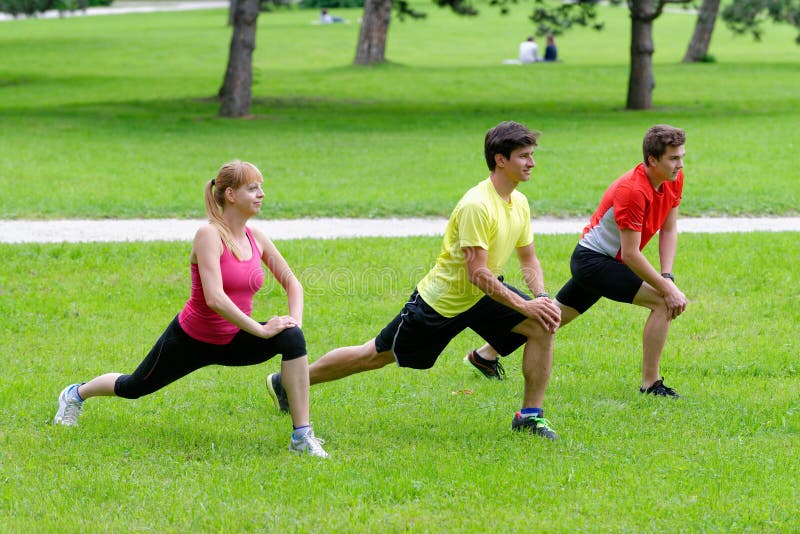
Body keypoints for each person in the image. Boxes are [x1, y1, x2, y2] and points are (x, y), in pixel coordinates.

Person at [266, 121, 562, 439]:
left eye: (531, 155)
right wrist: (525, 305)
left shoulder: (519, 203)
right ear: (500, 159)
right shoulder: (478, 205)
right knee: (374, 355)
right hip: (440, 303)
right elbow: (476, 272)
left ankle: (530, 417)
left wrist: (541, 296)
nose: (531, 163)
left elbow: (528, 257)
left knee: (542, 324)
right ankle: (289, 381)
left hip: (483, 295)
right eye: (523, 156)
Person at [53, 160, 329, 458]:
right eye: (253, 188)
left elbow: (292, 283)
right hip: (191, 340)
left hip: (235, 337)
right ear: (231, 195)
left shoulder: (256, 238)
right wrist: (261, 329)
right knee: (134, 386)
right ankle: (75, 394)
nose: (261, 194)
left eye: (261, 188)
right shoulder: (208, 235)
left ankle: (301, 436)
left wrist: (294, 323)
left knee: (292, 338)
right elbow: (215, 298)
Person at [466, 125, 689, 399]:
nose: (679, 165)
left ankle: (484, 355)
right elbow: (631, 255)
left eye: (681, 157)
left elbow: (668, 229)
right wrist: (666, 289)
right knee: (663, 302)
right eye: (674, 158)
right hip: (594, 262)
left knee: (551, 317)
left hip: (604, 261)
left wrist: (667, 275)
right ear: (652, 160)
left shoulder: (673, 179)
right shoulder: (633, 191)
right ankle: (651, 384)